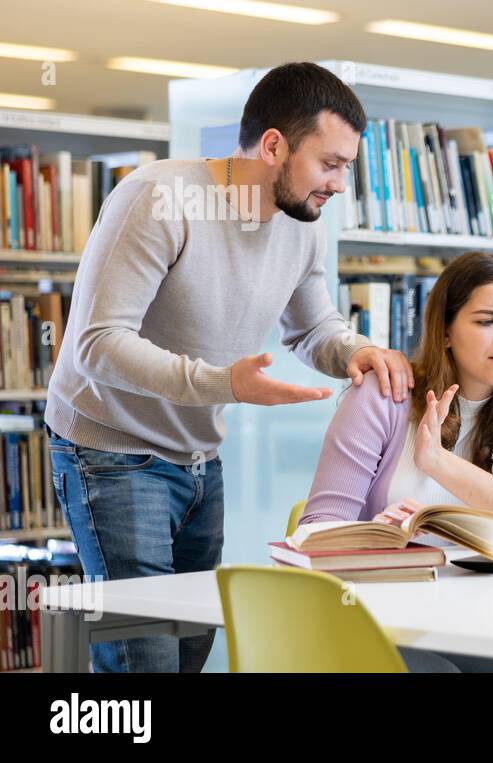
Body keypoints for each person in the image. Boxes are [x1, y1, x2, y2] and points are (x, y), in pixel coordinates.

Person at [46, 62, 413, 672]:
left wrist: (355, 351)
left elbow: (312, 327)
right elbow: (97, 344)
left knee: (190, 652)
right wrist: (221, 384)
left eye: (347, 166)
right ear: (273, 145)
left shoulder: (301, 228)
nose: (340, 184)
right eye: (330, 164)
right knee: (144, 660)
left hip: (198, 459)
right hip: (109, 453)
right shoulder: (159, 199)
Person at [299, 251, 493, 672]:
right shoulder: (383, 398)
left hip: (476, 617)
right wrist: (380, 538)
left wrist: (439, 463)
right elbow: (317, 531)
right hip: (376, 615)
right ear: (445, 332)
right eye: (486, 320)